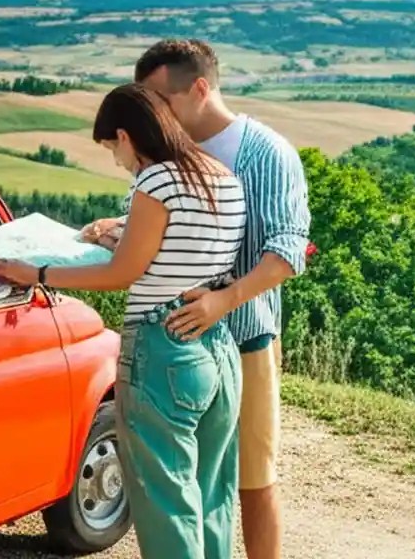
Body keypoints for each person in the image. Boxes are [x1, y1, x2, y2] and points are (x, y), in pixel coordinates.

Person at [0, 82, 246, 559]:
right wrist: (116, 234)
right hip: (216, 343)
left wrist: (36, 272)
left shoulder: (156, 181)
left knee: (166, 498)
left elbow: (124, 274)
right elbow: (178, 249)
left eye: (111, 148)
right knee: (211, 494)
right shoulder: (218, 174)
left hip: (163, 346)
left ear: (126, 135)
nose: (116, 160)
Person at [81, 39, 312, 559]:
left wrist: (222, 302)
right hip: (181, 344)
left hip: (244, 335)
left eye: (161, 99)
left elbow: (288, 251)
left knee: (251, 478)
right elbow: (160, 234)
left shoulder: (265, 153)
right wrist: (116, 230)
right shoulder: (164, 151)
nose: (153, 113)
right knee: (198, 485)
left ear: (200, 89)